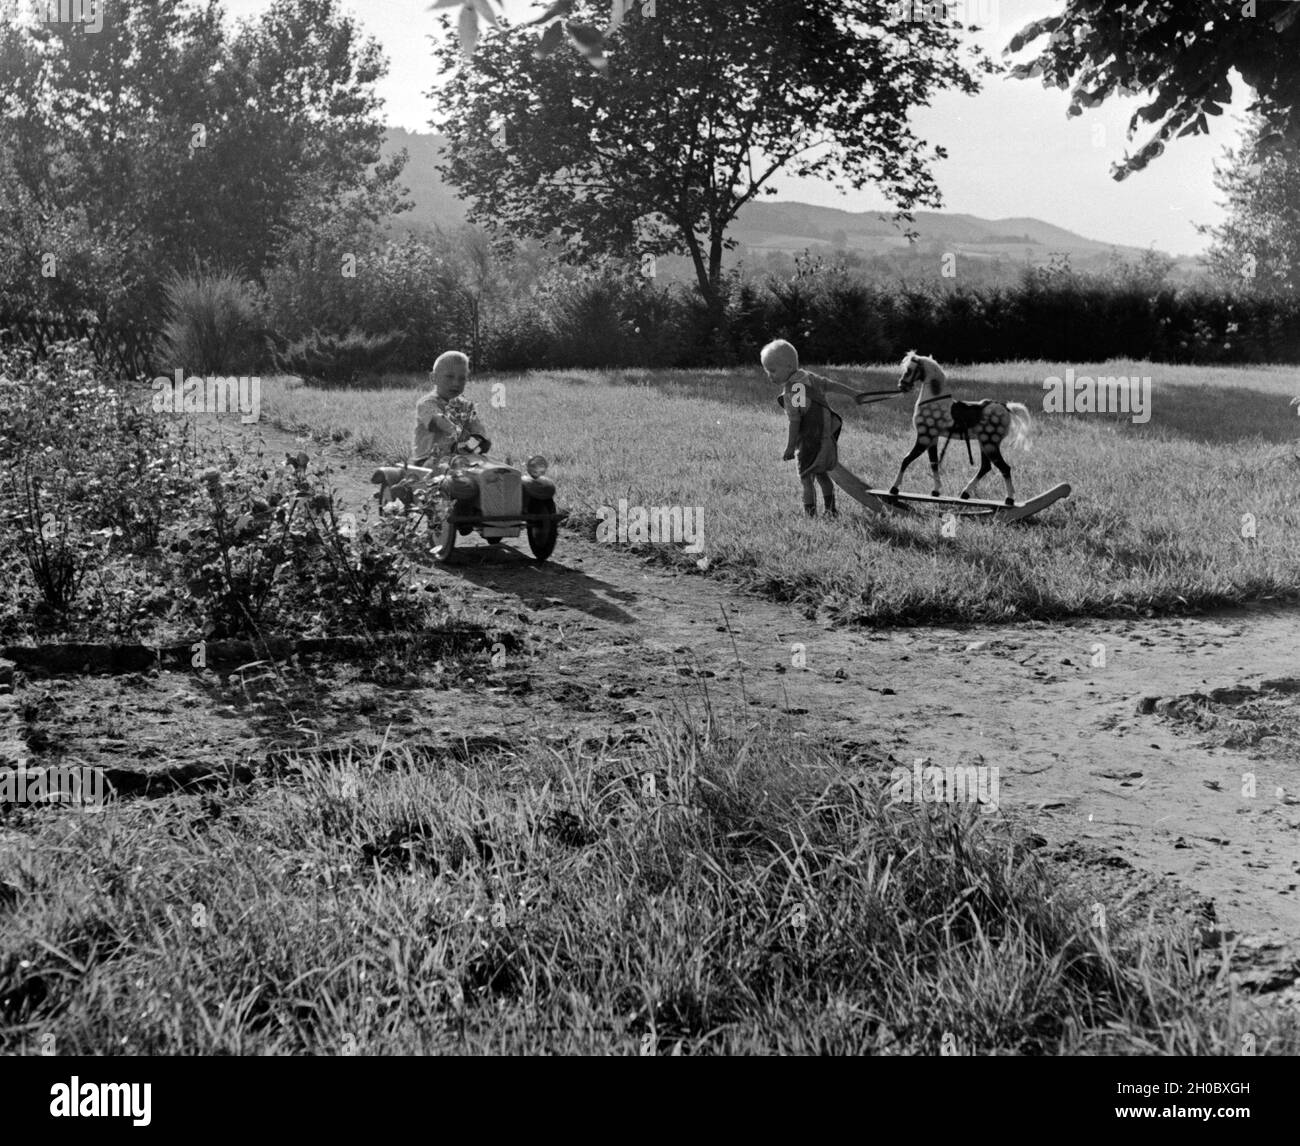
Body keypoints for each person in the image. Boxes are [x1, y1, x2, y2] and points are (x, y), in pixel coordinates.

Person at [761, 339, 865, 517]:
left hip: (810, 445)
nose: (770, 376)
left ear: (788, 367)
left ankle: (810, 516)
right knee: (822, 475)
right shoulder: (809, 378)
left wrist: (790, 446)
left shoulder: (794, 390)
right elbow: (831, 384)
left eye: (772, 370)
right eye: (767, 371)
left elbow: (796, 421)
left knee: (806, 479)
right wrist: (853, 393)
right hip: (827, 442)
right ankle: (831, 511)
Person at [412, 351, 490, 465]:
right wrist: (457, 431)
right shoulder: (427, 403)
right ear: (433, 378)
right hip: (428, 459)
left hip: (459, 459)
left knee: (486, 466)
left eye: (462, 378)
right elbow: (439, 420)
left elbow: (477, 428)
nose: (456, 383)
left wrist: (481, 440)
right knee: (446, 469)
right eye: (449, 377)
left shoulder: (466, 406)